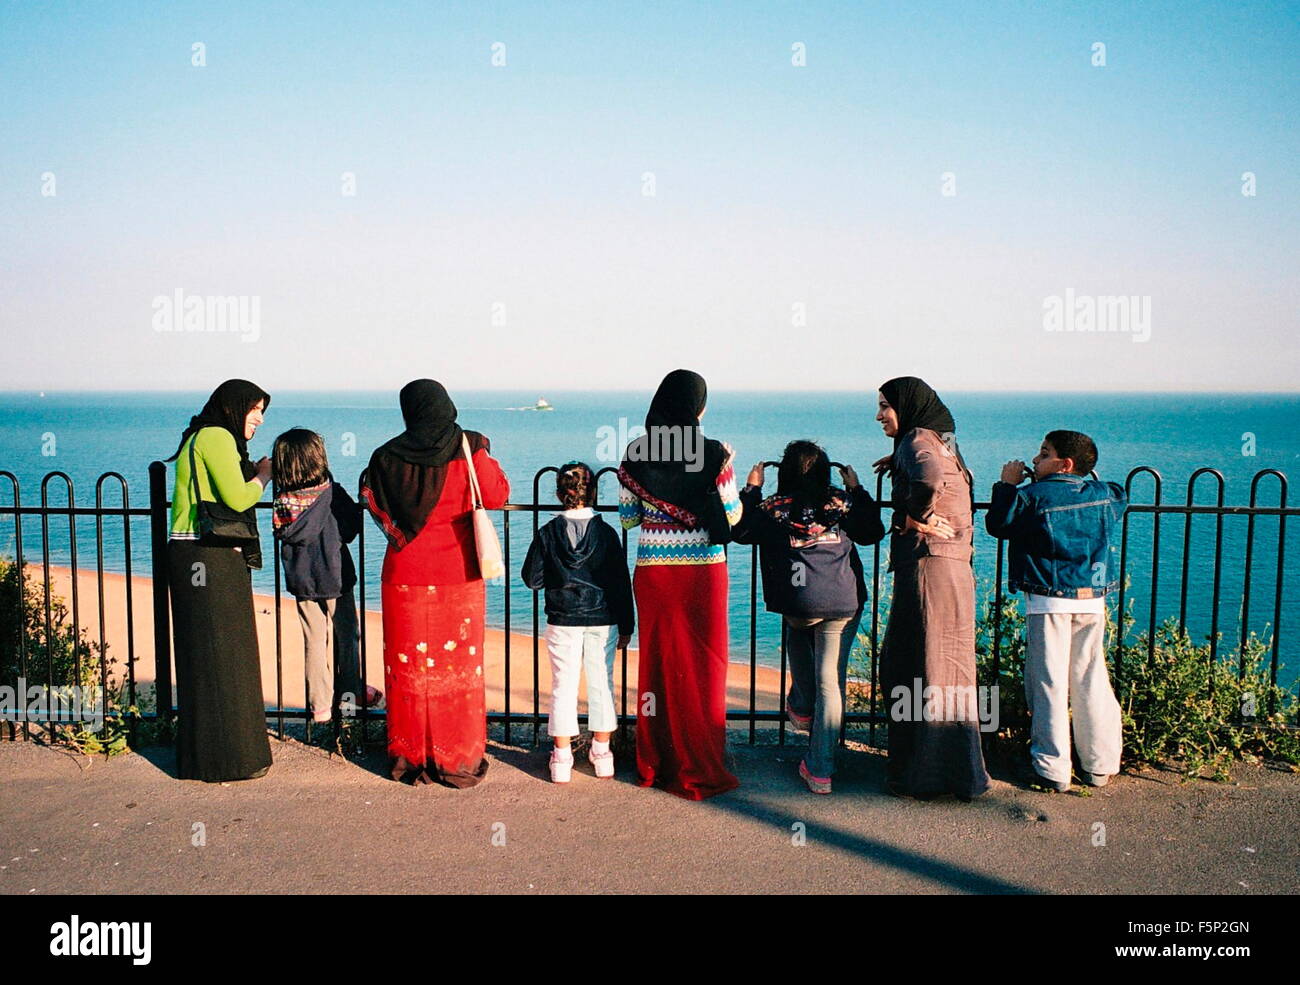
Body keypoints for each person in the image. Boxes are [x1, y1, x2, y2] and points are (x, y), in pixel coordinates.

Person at [361, 380, 509, 787]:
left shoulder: (386, 455)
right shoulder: (469, 445)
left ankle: (410, 758)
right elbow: (496, 495)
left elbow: (370, 495)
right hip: (458, 575)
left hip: (404, 575)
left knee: (409, 670)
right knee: (457, 669)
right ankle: (456, 759)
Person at [617, 369, 743, 800]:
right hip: (704, 572)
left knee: (657, 662)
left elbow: (628, 518)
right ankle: (701, 760)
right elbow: (734, 517)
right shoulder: (716, 454)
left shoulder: (636, 453)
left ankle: (656, 762)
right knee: (705, 665)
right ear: (697, 407)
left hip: (654, 571)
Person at [731, 441, 885, 793]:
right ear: (826, 471)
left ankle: (801, 706)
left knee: (799, 641)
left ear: (783, 472)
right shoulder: (842, 505)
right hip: (841, 603)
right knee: (830, 683)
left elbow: (738, 531)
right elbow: (873, 532)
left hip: (796, 604)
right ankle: (820, 770)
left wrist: (752, 488)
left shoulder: (772, 509)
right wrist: (857, 489)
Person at [984, 430, 1127, 792]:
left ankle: (1052, 768)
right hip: (1091, 601)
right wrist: (1077, 477)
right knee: (1091, 679)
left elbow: (997, 524)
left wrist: (1007, 485)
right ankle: (1100, 763)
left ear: (1064, 463)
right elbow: (1115, 494)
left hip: (1048, 602)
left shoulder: (1031, 497)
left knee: (1048, 683)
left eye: (1043, 453)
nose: (1034, 460)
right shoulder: (1104, 496)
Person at [873, 377, 990, 800]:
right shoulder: (937, 440)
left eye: (886, 405)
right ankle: (954, 773)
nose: (880, 415)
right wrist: (898, 461)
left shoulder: (917, 441)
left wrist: (911, 517)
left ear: (908, 406)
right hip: (951, 566)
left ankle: (922, 775)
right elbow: (932, 469)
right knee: (942, 669)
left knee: (915, 666)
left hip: (928, 566)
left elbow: (927, 476)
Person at [165, 379, 274, 782]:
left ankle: (210, 756)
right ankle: (230, 759)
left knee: (211, 656)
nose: (259, 419)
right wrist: (264, 474)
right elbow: (239, 498)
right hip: (207, 554)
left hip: (194, 552)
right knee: (226, 655)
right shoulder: (215, 437)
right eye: (254, 409)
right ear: (234, 407)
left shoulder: (202, 435)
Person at [522, 462, 633, 783]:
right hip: (602, 618)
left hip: (563, 618)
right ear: (594, 492)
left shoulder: (548, 533)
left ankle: (561, 757)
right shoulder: (607, 533)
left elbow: (532, 579)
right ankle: (602, 753)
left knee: (563, 687)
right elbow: (620, 584)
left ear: (559, 493)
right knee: (602, 683)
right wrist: (627, 625)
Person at [270, 428, 382, 725]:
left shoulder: (283, 500)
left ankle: (319, 706)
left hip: (302, 581)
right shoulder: (332, 494)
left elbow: (282, 532)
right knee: (347, 637)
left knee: (314, 642)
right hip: (336, 576)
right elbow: (350, 529)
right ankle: (349, 696)